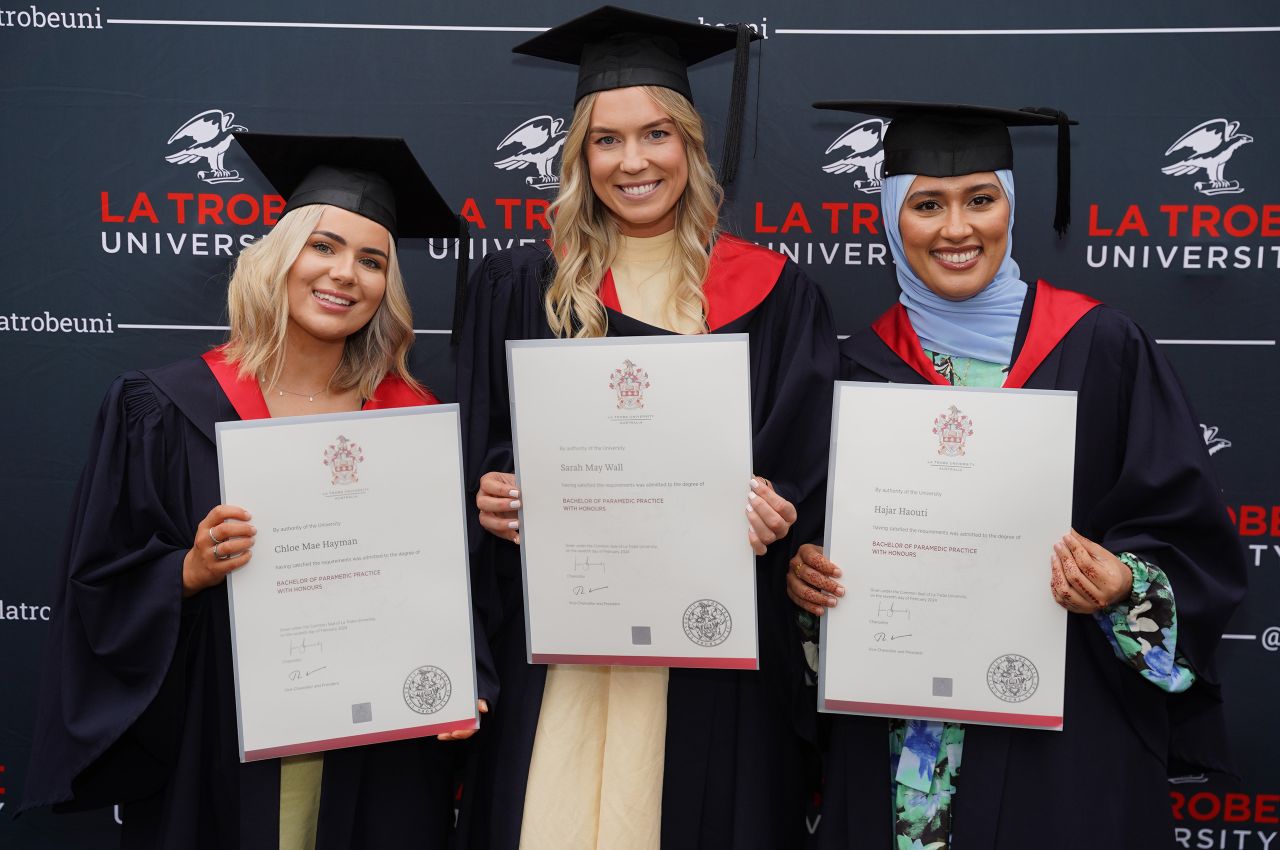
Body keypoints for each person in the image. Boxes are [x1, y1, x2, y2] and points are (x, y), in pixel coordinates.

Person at [787, 101, 1247, 849]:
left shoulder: (1102, 348)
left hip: (1064, 742)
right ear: (891, 218)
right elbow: (811, 549)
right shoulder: (851, 371)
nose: (957, 228)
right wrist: (807, 582)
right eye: (927, 204)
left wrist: (1123, 582)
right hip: (897, 745)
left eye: (981, 199)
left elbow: (1190, 540)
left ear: (1011, 205)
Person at [21, 133, 490, 850]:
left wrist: (463, 677)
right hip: (219, 730)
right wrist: (188, 569)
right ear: (279, 258)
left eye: (372, 261)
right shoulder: (165, 408)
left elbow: (450, 580)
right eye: (324, 247)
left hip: (378, 744)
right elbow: (98, 584)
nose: (345, 275)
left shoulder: (411, 421)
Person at [455, 8, 838, 849]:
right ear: (579, 157)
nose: (633, 162)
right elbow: (479, 456)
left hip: (707, 646)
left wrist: (779, 509)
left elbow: (800, 472)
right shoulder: (521, 287)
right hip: (561, 638)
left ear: (691, 146)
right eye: (607, 140)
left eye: (656, 134)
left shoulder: (773, 294)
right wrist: (490, 494)